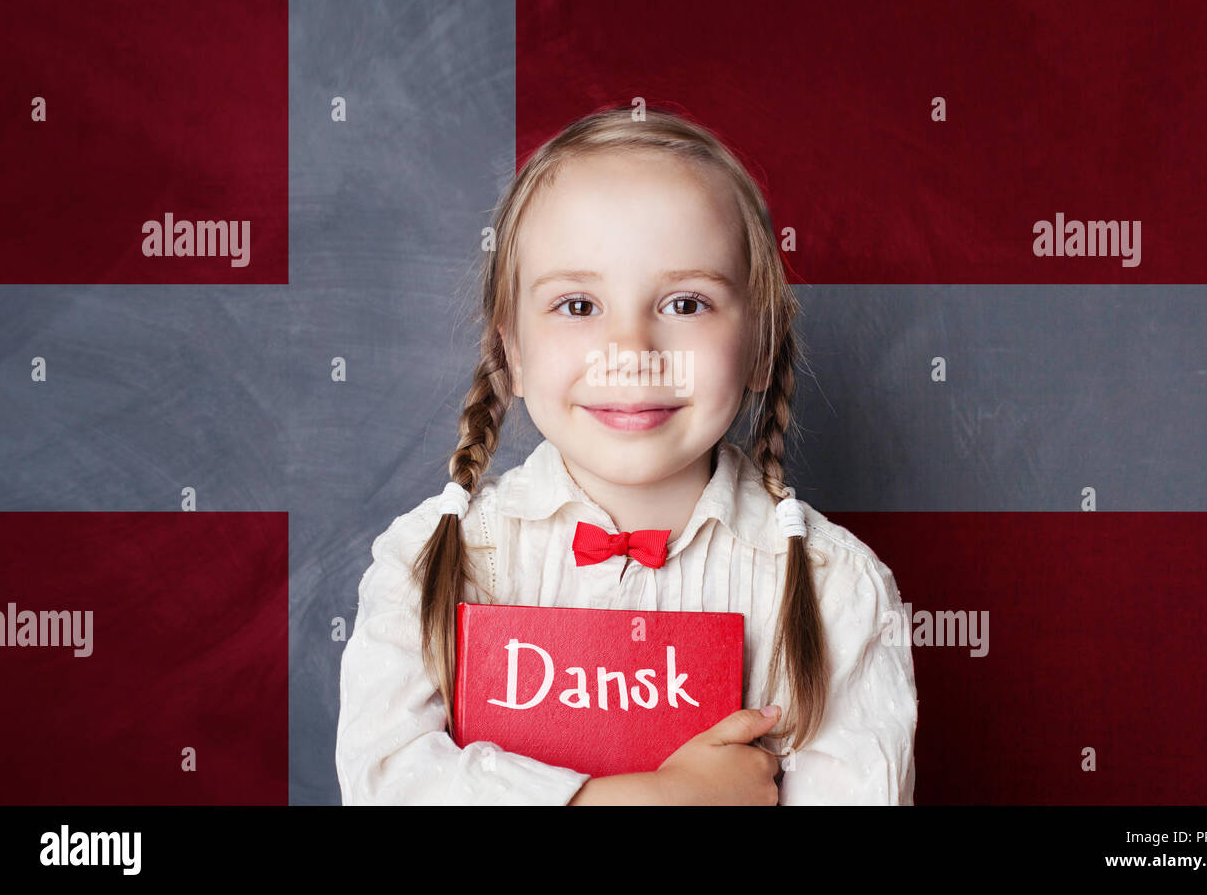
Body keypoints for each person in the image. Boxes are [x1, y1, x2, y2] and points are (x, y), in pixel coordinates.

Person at [335, 103, 918, 805]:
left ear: (760, 345)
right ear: (511, 352)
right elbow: (390, 785)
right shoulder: (426, 563)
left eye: (686, 303)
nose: (632, 353)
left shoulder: (837, 592)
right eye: (578, 306)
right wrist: (645, 801)